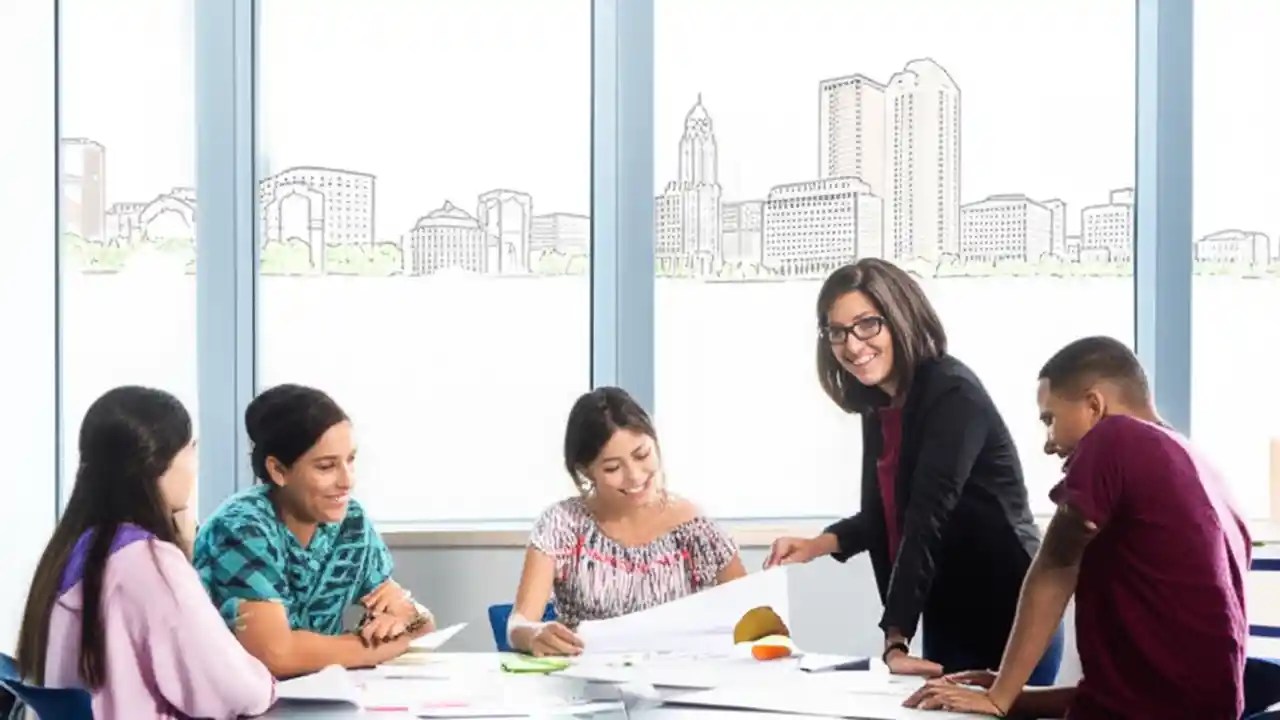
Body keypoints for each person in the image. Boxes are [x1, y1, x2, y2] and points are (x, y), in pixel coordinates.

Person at [906, 336, 1251, 719]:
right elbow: (1146, 695)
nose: (1048, 444)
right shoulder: (1206, 472)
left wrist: (999, 696)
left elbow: (1055, 567)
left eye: (1050, 419)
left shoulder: (1116, 436)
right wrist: (1008, 687)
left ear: (1094, 405)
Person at [765, 259, 1062, 681]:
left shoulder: (952, 394)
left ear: (900, 317)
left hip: (1011, 608)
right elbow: (885, 513)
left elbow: (926, 520)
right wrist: (819, 544)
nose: (852, 346)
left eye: (867, 324)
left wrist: (895, 639)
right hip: (949, 607)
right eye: (837, 331)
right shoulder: (881, 403)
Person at [16, 386, 276, 720]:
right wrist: (264, 681)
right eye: (191, 448)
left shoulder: (73, 549)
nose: (195, 464)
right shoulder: (146, 561)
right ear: (159, 463)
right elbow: (233, 691)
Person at [192, 384, 434, 678]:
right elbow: (275, 655)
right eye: (326, 466)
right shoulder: (241, 528)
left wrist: (403, 619)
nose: (347, 481)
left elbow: (420, 624)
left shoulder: (351, 523)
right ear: (278, 470)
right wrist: (386, 645)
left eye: (350, 460)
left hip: (322, 696)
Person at [506, 386, 748, 656]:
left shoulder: (696, 530)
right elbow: (518, 623)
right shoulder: (562, 525)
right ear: (587, 471)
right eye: (612, 468)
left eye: (642, 455)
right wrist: (532, 634)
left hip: (678, 685)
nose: (634, 476)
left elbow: (752, 619)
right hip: (586, 684)